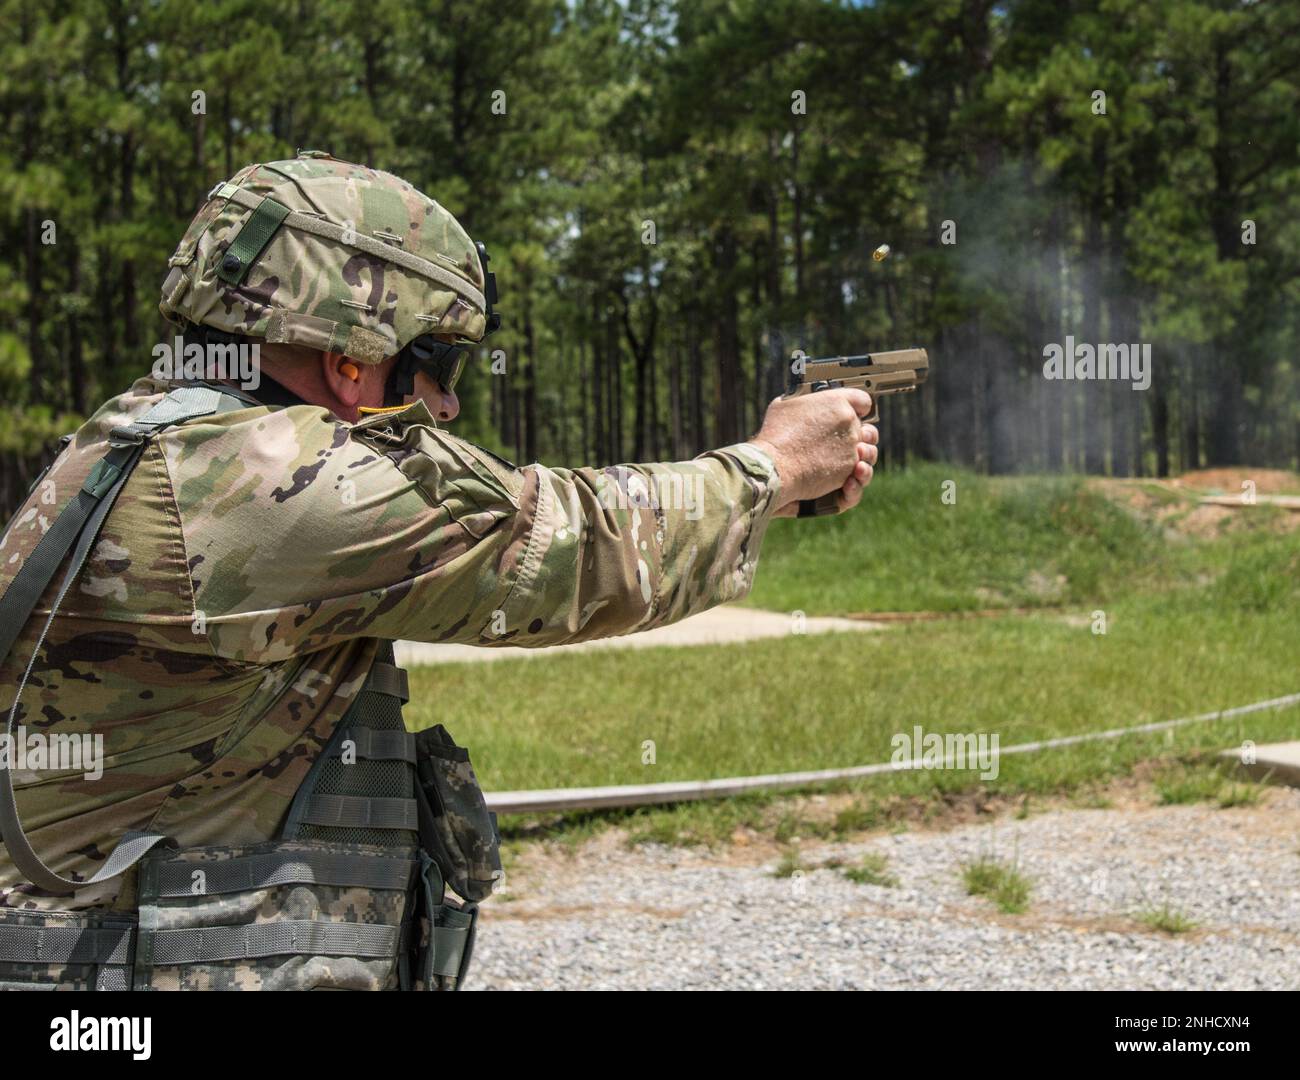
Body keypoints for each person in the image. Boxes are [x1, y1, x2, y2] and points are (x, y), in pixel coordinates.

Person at [0, 151, 877, 990]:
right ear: (350, 358)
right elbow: (568, 547)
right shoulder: (270, 475)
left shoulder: (157, 438)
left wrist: (771, 495)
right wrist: (770, 467)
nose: (450, 402)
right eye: (435, 363)